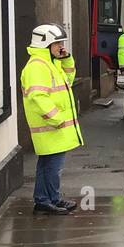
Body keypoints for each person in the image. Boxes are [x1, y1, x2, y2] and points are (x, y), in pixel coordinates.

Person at [21, 24, 84, 215]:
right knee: (53, 167)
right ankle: (49, 200)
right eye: (57, 43)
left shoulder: (51, 63)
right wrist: (56, 119)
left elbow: (69, 80)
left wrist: (66, 59)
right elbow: (38, 97)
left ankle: (45, 200)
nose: (61, 46)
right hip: (50, 127)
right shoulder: (37, 67)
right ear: (46, 44)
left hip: (53, 127)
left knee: (47, 165)